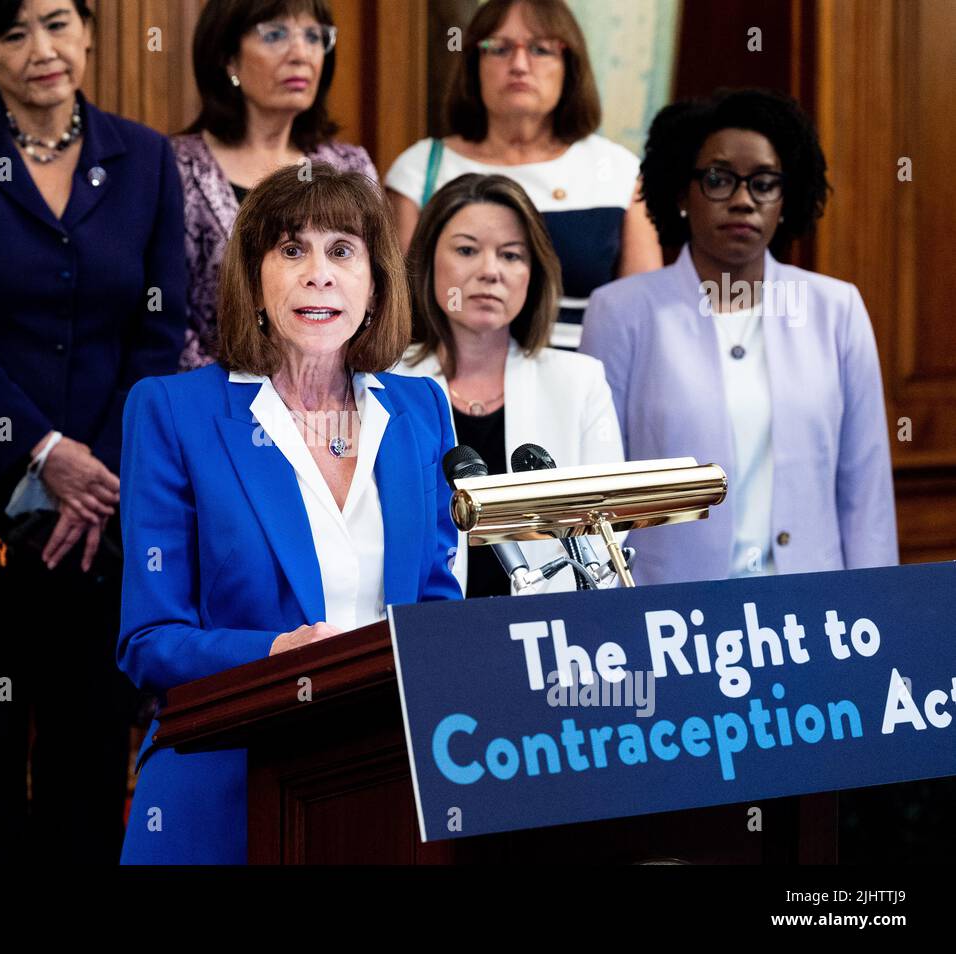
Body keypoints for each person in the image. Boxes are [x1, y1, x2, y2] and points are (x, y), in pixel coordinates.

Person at [0, 0, 186, 864]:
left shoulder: (144, 158)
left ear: (91, 31)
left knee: (92, 728)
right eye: (14, 33)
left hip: (106, 494)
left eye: (58, 22)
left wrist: (96, 468)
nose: (42, 50)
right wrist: (45, 452)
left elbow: (158, 329)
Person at [117, 163, 461, 864]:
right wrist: (275, 657)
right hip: (228, 778)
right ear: (254, 277)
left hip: (387, 778)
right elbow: (150, 639)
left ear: (375, 282)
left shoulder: (421, 409)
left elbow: (435, 610)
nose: (319, 274)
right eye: (292, 250)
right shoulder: (174, 412)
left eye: (342, 251)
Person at [579, 88, 898, 585]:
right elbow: (601, 492)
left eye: (764, 183)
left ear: (785, 198)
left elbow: (866, 489)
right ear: (682, 193)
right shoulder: (621, 312)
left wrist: (879, 609)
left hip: (813, 610)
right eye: (718, 179)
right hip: (672, 615)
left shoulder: (836, 308)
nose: (744, 200)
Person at [392, 173, 623, 597]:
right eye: (466, 250)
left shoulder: (578, 382)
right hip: (419, 634)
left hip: (549, 635)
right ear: (427, 261)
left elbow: (604, 538)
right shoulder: (385, 383)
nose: (490, 272)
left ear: (533, 272)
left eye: (512, 255)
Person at [385, 0, 661, 350]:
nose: (518, 64)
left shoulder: (617, 171)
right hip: (449, 385)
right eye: (499, 49)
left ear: (570, 67)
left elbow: (643, 316)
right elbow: (396, 313)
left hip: (588, 382)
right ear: (473, 65)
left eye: (540, 49)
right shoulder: (421, 167)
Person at [172, 0, 377, 371]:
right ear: (228, 58)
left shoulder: (351, 166)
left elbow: (376, 292)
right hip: (210, 401)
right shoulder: (175, 166)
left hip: (328, 395)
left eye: (314, 36)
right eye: (275, 34)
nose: (301, 54)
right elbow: (163, 316)